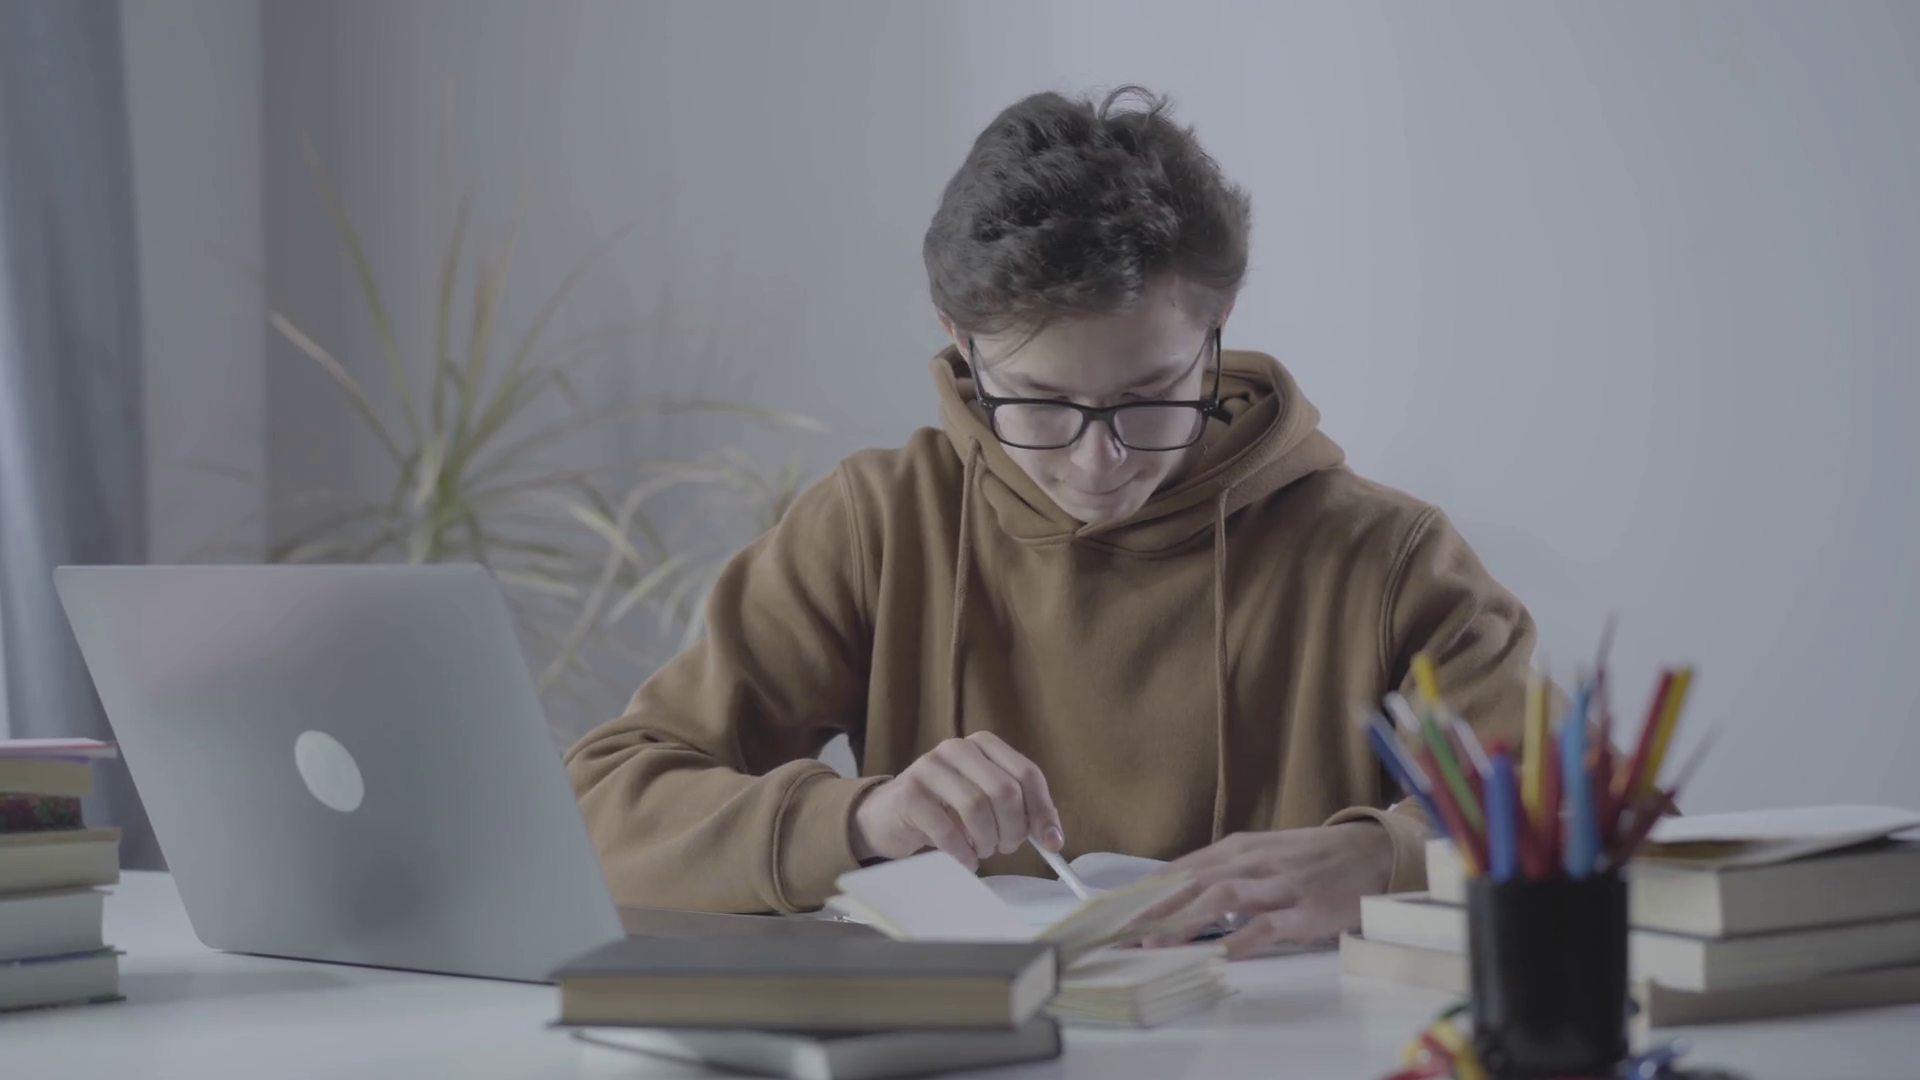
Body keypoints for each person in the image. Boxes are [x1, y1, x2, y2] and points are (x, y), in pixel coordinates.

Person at [565, 86, 1535, 959]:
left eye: (1147, 397)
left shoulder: (1391, 560)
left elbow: (1562, 819)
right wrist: (865, 822)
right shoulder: (876, 527)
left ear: (1217, 325)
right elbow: (599, 805)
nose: (1094, 462)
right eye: (1036, 404)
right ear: (959, 339)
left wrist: (1380, 859)